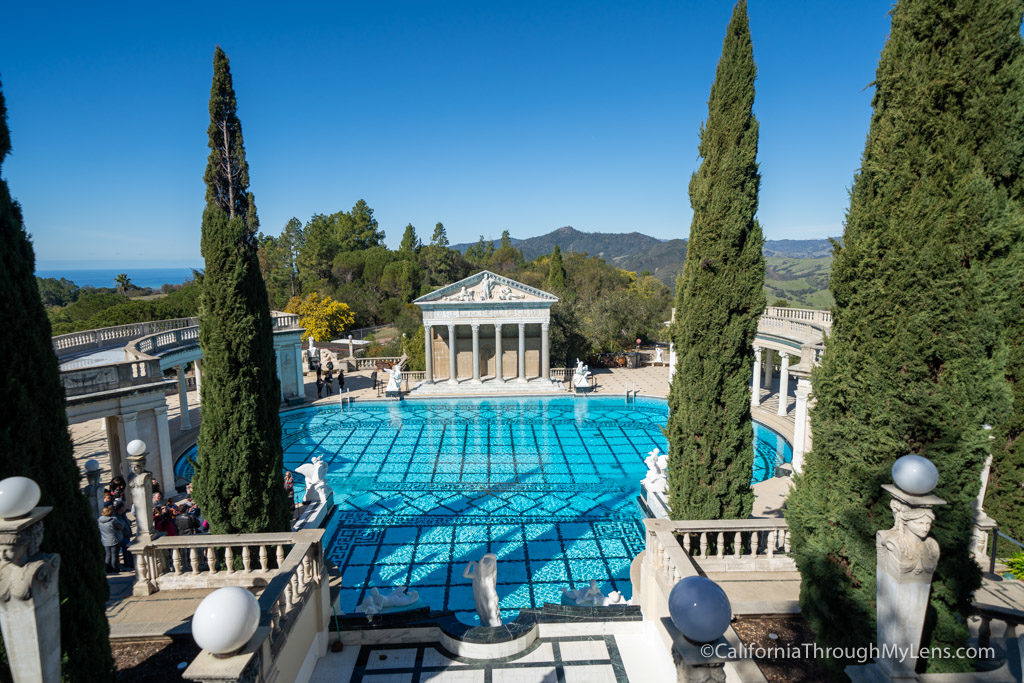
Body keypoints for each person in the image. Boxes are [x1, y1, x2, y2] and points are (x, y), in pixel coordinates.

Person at [98, 505, 129, 573]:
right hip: (114, 539)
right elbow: (121, 527)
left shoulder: (100, 520)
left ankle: (108, 568)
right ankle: (115, 568)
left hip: (105, 539)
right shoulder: (113, 520)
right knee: (114, 555)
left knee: (108, 554)